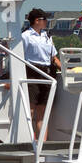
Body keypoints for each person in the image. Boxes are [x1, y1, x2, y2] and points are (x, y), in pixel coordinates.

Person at [21, 8, 61, 138]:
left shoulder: (47, 36)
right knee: (30, 110)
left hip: (46, 72)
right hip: (32, 72)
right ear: (37, 21)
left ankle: (42, 145)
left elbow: (53, 57)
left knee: (42, 113)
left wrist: (66, 70)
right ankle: (29, 141)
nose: (47, 22)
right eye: (45, 19)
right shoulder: (25, 37)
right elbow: (18, 56)